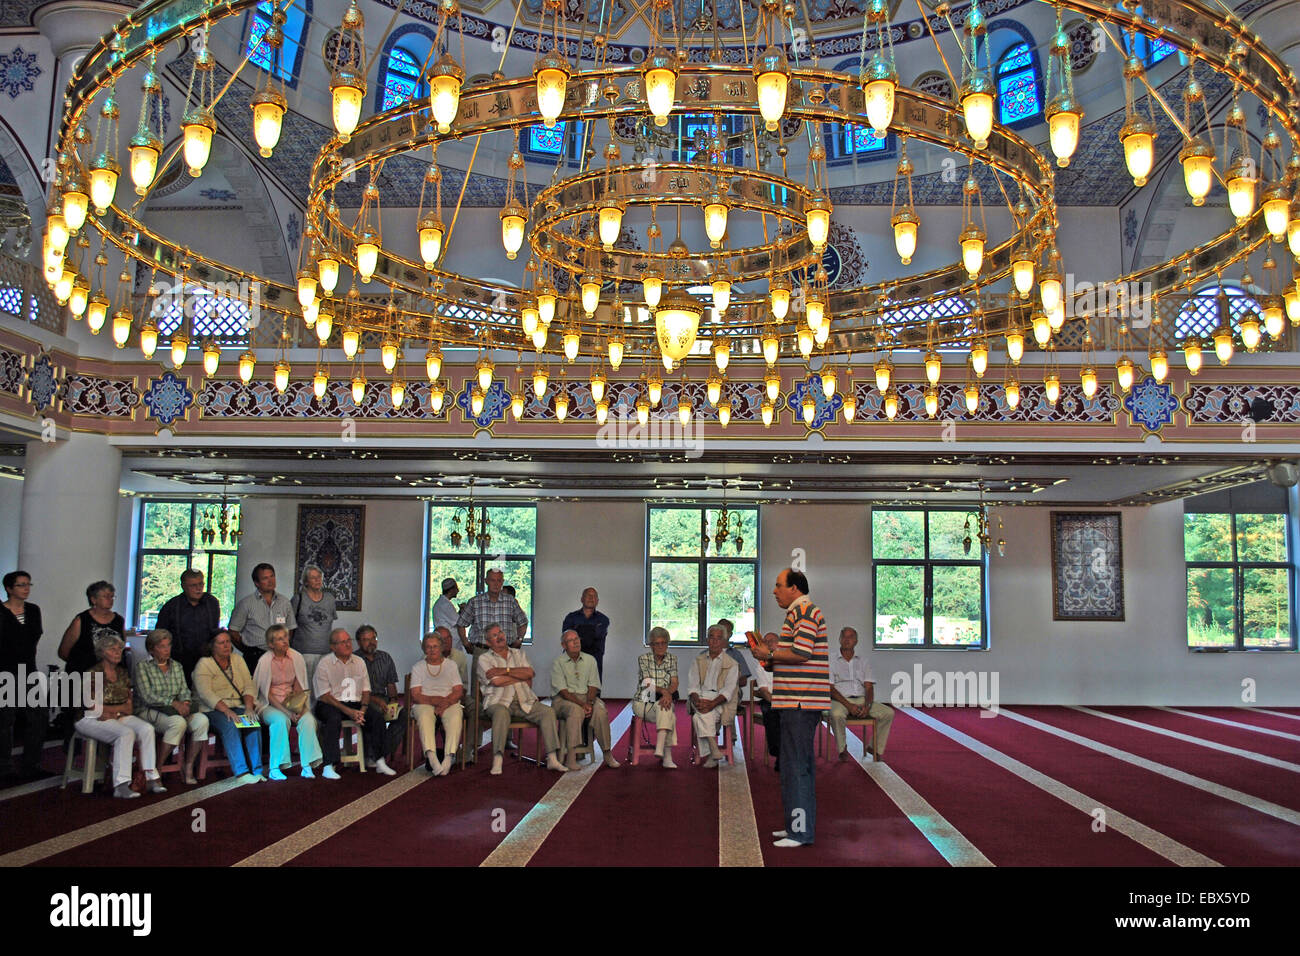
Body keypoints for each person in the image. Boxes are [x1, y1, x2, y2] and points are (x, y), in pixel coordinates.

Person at [752, 568, 829, 848]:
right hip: (793, 700)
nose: (774, 591)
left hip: (800, 701)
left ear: (794, 588)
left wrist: (769, 653)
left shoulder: (805, 612)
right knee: (792, 766)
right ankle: (794, 826)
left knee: (797, 767)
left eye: (778, 586)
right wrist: (769, 658)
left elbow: (802, 653)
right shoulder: (796, 613)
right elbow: (792, 655)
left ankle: (800, 832)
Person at [74, 632, 165, 798]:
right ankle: (121, 785)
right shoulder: (93, 673)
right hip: (88, 718)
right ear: (102, 652)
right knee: (126, 733)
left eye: (119, 649)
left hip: (115, 714)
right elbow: (94, 709)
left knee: (146, 729)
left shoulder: (123, 673)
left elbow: (129, 708)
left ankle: (151, 778)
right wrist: (116, 710)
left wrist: (114, 711)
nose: (117, 653)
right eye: (112, 649)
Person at [477, 624, 567, 775]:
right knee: (500, 714)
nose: (499, 636)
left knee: (548, 712)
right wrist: (519, 676)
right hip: (498, 701)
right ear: (488, 642)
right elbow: (496, 682)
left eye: (500, 632)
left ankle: (552, 758)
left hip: (524, 700)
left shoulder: (519, 654)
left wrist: (504, 671)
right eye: (494, 635)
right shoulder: (484, 658)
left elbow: (530, 673)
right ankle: (497, 759)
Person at [135, 628, 209, 785]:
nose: (166, 650)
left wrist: (186, 704)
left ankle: (188, 765)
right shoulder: (143, 666)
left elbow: (184, 690)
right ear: (151, 649)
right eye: (161, 646)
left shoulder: (177, 666)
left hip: (176, 709)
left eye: (168, 645)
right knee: (178, 723)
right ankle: (157, 768)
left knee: (202, 721)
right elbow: (147, 696)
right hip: (150, 710)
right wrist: (174, 704)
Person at [314, 628, 389, 778]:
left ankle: (378, 759)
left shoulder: (359, 662)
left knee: (376, 717)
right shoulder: (324, 663)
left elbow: (366, 691)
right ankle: (329, 764)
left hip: (355, 703)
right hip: (330, 704)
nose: (348, 645)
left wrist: (363, 709)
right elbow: (325, 696)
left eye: (349, 641)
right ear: (333, 647)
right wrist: (349, 712)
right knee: (333, 719)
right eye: (343, 642)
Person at [194, 630, 265, 783]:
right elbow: (205, 693)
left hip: (237, 705)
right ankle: (241, 772)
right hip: (212, 709)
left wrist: (248, 707)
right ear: (212, 646)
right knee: (230, 725)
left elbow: (248, 685)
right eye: (221, 643)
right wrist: (226, 710)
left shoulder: (237, 660)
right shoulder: (204, 664)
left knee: (252, 722)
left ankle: (257, 769)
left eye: (228, 642)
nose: (226, 645)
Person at [253, 623, 322, 780]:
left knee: (309, 720)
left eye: (285, 637)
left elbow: (300, 685)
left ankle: (306, 765)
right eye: (279, 639)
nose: (284, 641)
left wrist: (301, 708)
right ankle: (275, 767)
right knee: (280, 720)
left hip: (292, 702)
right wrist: (287, 712)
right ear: (271, 644)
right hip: (269, 704)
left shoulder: (296, 657)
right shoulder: (265, 661)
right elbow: (266, 693)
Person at [0, 570, 49, 780]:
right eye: (21, 585)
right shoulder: (1, 612)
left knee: (38, 718)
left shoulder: (33, 610)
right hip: (5, 671)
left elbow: (34, 636)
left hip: (28, 669)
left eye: (28, 584)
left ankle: (32, 764)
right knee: (5, 720)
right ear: (10, 588)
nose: (26, 588)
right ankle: (5, 767)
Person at [551, 629, 620, 770]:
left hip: (586, 697)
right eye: (571, 640)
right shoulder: (558, 662)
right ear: (564, 645)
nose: (576, 642)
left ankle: (607, 753)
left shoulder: (590, 659)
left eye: (577, 639)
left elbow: (593, 685)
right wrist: (582, 704)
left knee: (600, 711)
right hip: (563, 700)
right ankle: (571, 757)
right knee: (575, 710)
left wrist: (589, 703)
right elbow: (563, 692)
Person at [829, 626, 894, 760]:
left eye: (851, 637)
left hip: (861, 699)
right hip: (839, 700)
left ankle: (874, 747)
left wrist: (867, 706)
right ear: (839, 639)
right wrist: (849, 706)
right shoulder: (831, 660)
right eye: (844, 637)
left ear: (856, 641)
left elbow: (869, 687)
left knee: (888, 713)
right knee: (836, 714)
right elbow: (830, 689)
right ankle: (842, 749)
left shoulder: (863, 661)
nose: (847, 640)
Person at [410, 631, 463, 776]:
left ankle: (448, 757)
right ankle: (432, 757)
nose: (432, 650)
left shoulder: (451, 665)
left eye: (435, 646)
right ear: (424, 649)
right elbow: (415, 695)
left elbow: (458, 691)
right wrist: (434, 701)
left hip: (448, 702)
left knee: (456, 715)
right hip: (424, 703)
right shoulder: (418, 667)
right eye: (428, 647)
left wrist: (445, 703)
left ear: (441, 648)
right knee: (425, 716)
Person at [228, 563, 296, 675]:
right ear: (256, 583)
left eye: (272, 576)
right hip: (255, 656)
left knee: (278, 689)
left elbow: (291, 629)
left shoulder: (285, 602)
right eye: (265, 578)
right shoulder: (246, 604)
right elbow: (233, 632)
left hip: (279, 656)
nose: (270, 581)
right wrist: (247, 650)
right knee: (255, 690)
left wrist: (282, 645)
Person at [153, 569, 220, 682]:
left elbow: (215, 630)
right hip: (179, 662)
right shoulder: (171, 607)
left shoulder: (212, 603)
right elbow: (159, 637)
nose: (198, 589)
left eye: (200, 584)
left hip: (207, 660)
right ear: (183, 586)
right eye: (193, 585)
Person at [687, 624, 740, 768]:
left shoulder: (732, 664)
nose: (715, 641)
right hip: (700, 697)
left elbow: (728, 691)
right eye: (711, 637)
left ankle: (712, 752)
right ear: (707, 640)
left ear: (723, 642)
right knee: (703, 713)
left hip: (720, 700)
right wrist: (698, 701)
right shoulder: (698, 660)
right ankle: (713, 751)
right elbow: (693, 686)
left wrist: (711, 704)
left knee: (700, 716)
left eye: (719, 638)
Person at [355, 624, 402, 774]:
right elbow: (356, 690)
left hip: (384, 699)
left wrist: (394, 702)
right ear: (358, 642)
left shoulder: (385, 657)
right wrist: (376, 701)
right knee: (376, 715)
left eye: (373, 638)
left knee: (403, 715)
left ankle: (380, 752)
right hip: (363, 701)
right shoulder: (354, 660)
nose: (371, 642)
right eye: (366, 639)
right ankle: (375, 755)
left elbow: (391, 683)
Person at [633, 627, 678, 768]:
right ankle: (667, 755)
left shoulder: (672, 659)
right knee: (668, 711)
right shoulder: (643, 659)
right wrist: (665, 692)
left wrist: (667, 694)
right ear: (651, 645)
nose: (660, 646)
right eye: (656, 643)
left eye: (664, 643)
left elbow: (675, 682)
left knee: (666, 707)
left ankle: (661, 748)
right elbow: (647, 684)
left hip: (663, 700)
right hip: (644, 701)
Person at [59, 581, 126, 675]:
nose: (110, 599)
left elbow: (121, 647)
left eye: (112, 596)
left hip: (111, 676)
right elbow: (64, 652)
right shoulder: (82, 620)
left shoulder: (119, 620)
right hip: (84, 675)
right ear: (93, 599)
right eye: (106, 596)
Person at [457, 568, 528, 651]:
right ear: (486, 581)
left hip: (505, 652)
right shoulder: (475, 602)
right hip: (481, 651)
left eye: (499, 580)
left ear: (502, 582)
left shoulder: (510, 601)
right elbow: (461, 624)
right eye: (492, 580)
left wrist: (519, 640)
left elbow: (523, 622)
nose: (496, 584)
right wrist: (465, 643)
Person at [290, 565, 336, 681]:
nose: (317, 580)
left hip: (326, 653)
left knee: (323, 691)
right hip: (303, 654)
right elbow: (289, 627)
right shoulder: (298, 599)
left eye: (319, 577)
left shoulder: (330, 599)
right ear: (306, 581)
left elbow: (330, 625)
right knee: (304, 690)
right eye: (313, 577)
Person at [561, 587, 611, 680]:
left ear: (597, 601)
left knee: (593, 691)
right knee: (571, 689)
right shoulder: (570, 617)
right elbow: (567, 639)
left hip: (594, 661)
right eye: (588, 595)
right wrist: (590, 631)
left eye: (594, 596)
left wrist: (578, 633)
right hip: (572, 660)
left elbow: (596, 637)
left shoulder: (603, 619)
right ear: (581, 599)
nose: (591, 598)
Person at [751, 632, 781, 768]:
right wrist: (776, 703)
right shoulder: (761, 664)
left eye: (772, 641)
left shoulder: (787, 660)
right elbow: (763, 691)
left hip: (787, 699)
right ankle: (779, 753)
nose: (769, 644)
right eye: (766, 641)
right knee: (771, 713)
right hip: (769, 699)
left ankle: (787, 754)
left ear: (779, 643)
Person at [431, 578, 460, 645]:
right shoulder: (445, 605)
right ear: (451, 590)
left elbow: (452, 619)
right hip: (449, 642)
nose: (458, 590)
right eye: (456, 588)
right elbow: (458, 622)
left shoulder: (441, 603)